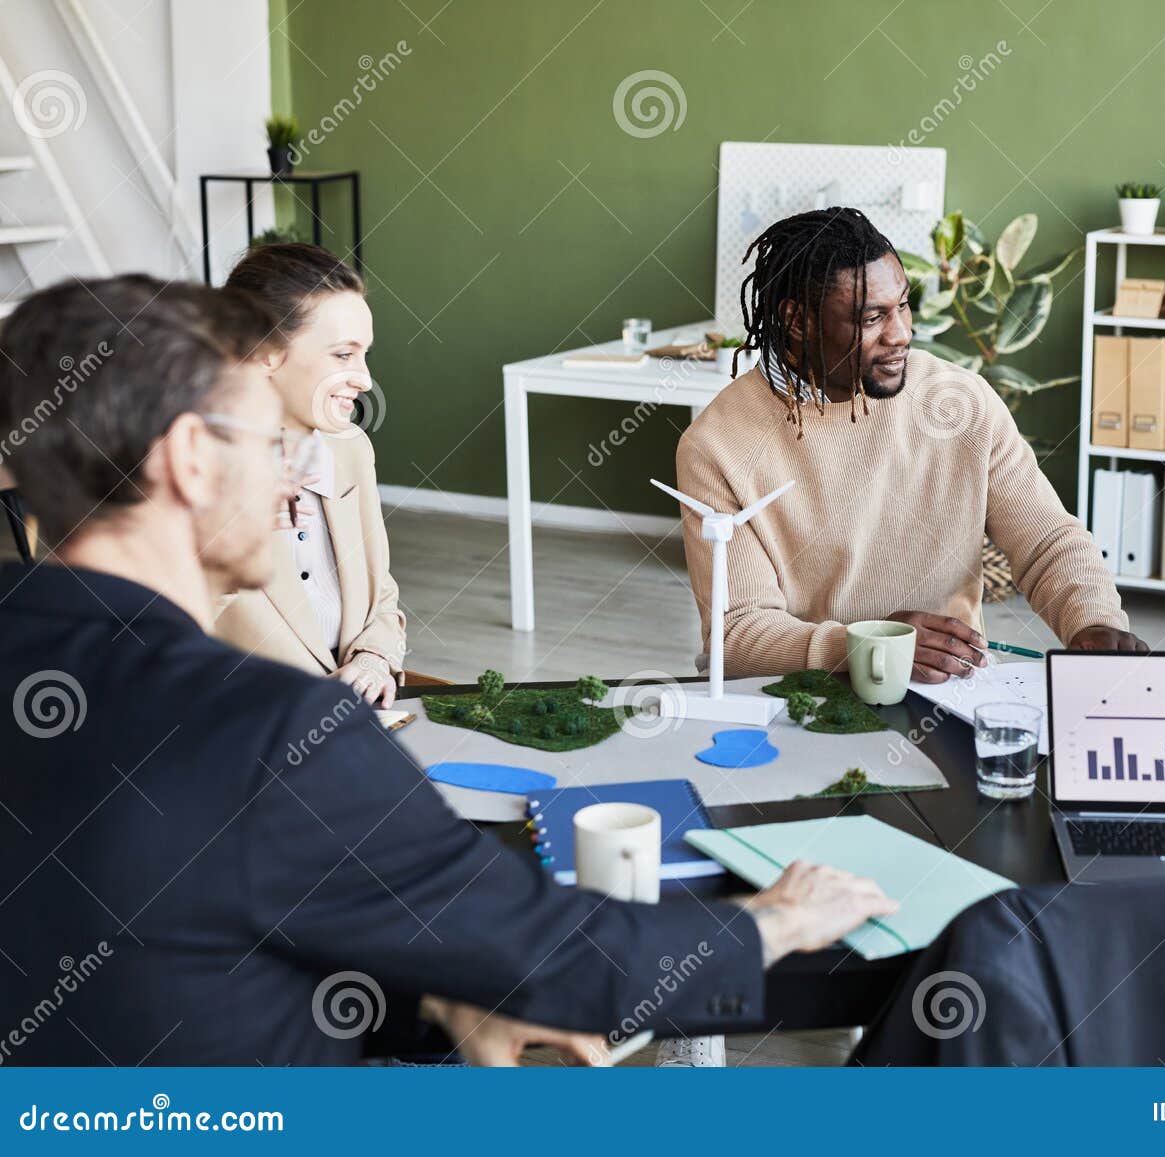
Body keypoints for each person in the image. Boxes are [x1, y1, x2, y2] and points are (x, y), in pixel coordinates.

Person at [0, 275, 895, 1066]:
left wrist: (429, 996)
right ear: (192, 460)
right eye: (269, 441)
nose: (288, 478)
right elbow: (561, 952)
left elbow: (167, 945)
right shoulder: (273, 733)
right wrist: (773, 919)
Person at [675, 207, 1143, 684]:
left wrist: (1095, 620)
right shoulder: (719, 446)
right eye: (872, 317)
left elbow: (1046, 542)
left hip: (950, 691)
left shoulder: (959, 401)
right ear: (797, 321)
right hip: (808, 696)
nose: (901, 333)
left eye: (902, 305)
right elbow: (737, 636)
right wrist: (867, 647)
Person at [212, 243, 404, 708]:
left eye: (364, 355)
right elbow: (149, 642)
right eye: (343, 355)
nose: (363, 379)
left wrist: (374, 659)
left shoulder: (350, 450)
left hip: (351, 724)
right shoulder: (189, 468)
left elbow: (382, 597)